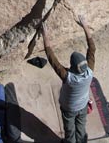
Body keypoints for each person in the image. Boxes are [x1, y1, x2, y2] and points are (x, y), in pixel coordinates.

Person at [41, 15, 96, 143]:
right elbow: (92, 48)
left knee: (70, 131)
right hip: (82, 106)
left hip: (69, 108)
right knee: (81, 129)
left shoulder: (68, 77)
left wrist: (45, 34)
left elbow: (51, 57)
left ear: (72, 66)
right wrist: (85, 26)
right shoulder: (90, 72)